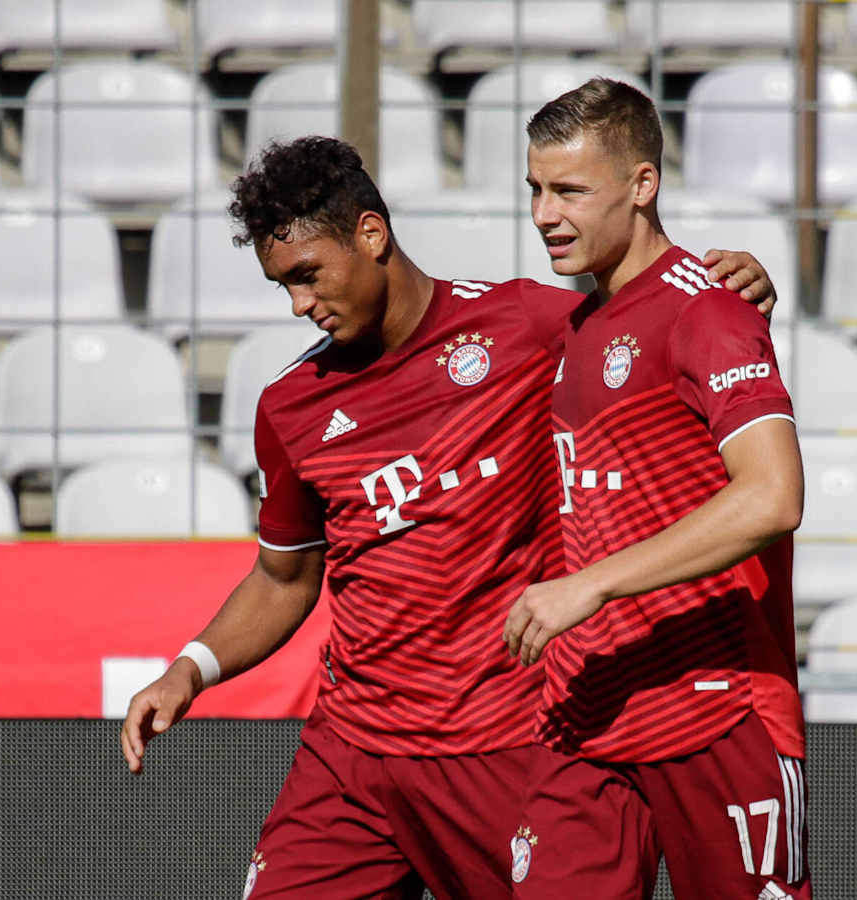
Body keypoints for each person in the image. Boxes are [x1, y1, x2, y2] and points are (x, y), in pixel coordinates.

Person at [119, 136, 778, 899]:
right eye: (283, 288)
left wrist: (727, 290)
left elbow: (664, 334)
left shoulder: (528, 327)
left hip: (505, 746)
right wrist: (189, 671)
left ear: (371, 235)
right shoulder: (290, 406)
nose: (300, 305)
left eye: (308, 276)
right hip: (350, 758)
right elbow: (283, 577)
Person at [503, 78, 809, 899]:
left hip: (716, 710)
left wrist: (589, 586)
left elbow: (774, 497)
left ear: (643, 185)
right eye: (534, 188)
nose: (544, 214)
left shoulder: (709, 312)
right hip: (588, 715)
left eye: (569, 190)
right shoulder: (572, 325)